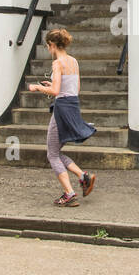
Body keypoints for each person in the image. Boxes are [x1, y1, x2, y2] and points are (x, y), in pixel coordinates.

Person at [28, 28, 97, 206]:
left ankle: (69, 193)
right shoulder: (73, 61)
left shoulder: (57, 63)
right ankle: (83, 177)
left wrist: (38, 88)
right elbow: (75, 88)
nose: (48, 49)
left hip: (62, 110)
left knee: (52, 154)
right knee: (56, 152)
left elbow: (56, 91)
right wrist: (53, 84)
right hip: (73, 106)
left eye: (48, 46)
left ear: (51, 45)